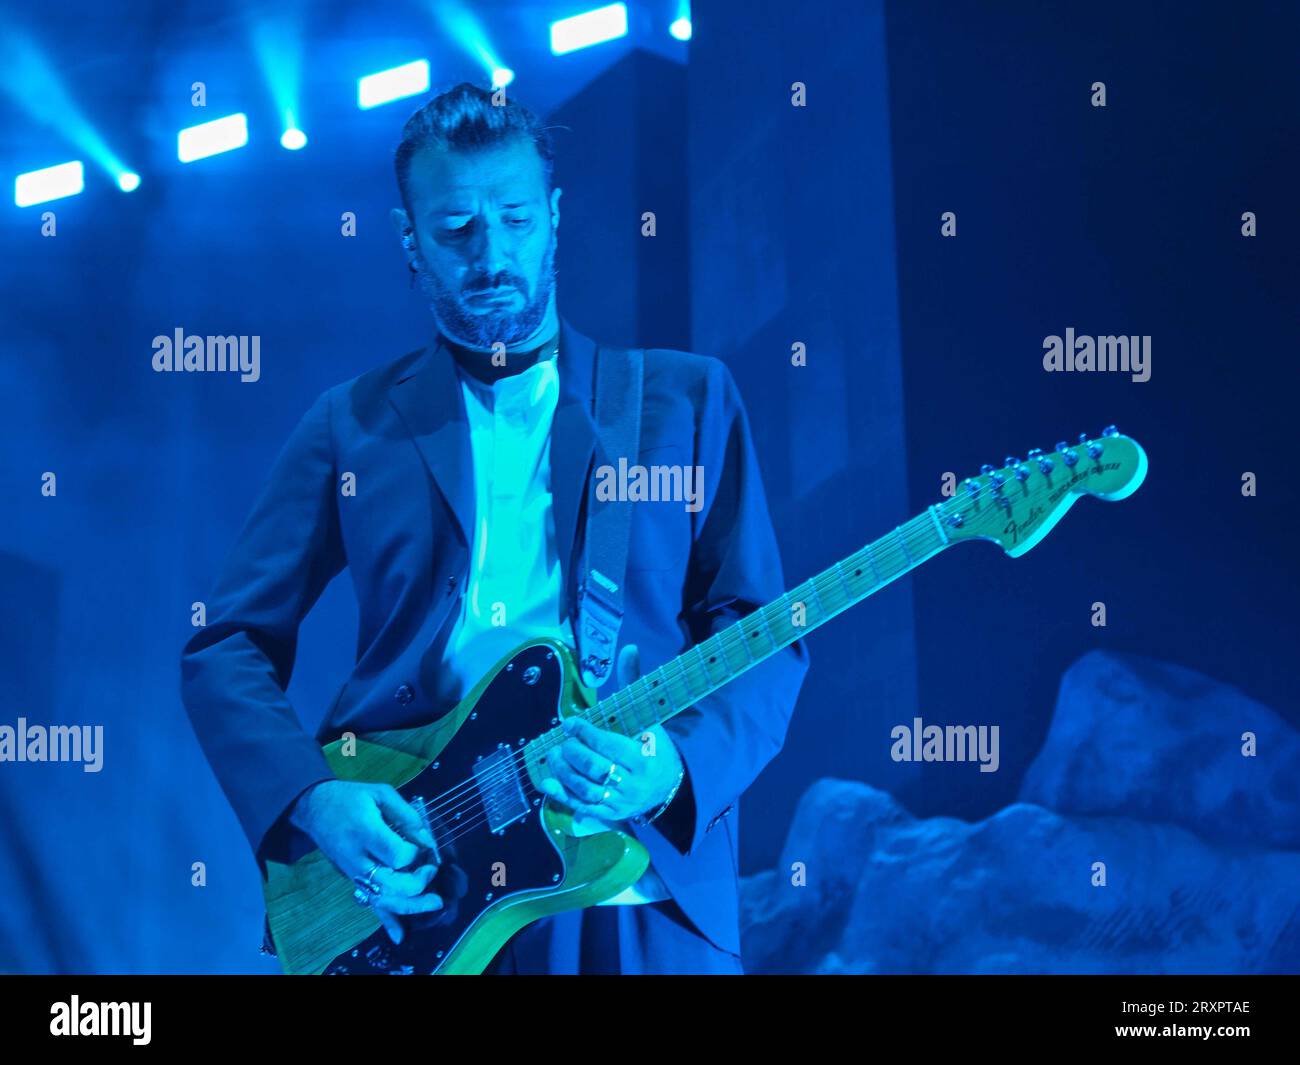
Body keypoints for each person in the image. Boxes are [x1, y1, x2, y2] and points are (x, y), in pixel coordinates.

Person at [180, 82, 807, 974]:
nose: (490, 254)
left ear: (553, 216)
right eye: (455, 230)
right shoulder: (348, 424)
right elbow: (226, 645)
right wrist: (317, 801)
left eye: (514, 219)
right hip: (420, 891)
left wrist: (676, 767)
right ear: (409, 240)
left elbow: (764, 635)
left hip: (638, 882)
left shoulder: (686, 399)